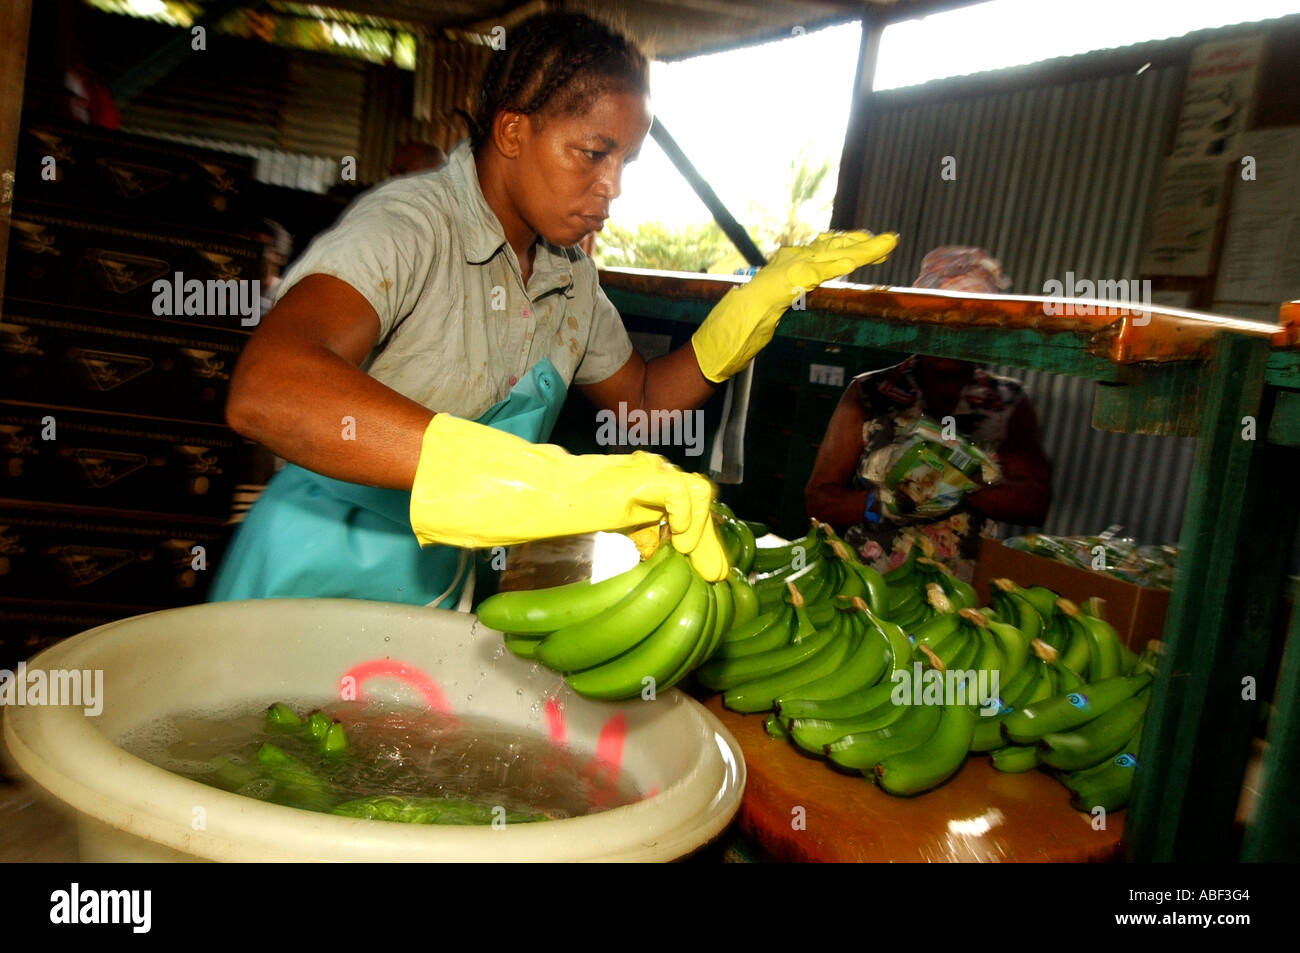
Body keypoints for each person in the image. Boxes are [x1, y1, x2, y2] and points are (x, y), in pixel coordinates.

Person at [210, 11, 896, 606]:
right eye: (593, 154)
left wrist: (751, 308)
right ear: (512, 132)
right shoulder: (409, 228)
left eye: (624, 162)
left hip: (434, 585)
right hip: (307, 579)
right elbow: (268, 389)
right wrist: (541, 479)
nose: (612, 188)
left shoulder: (568, 278)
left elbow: (646, 399)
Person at [804, 248, 1050, 582]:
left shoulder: (1005, 403)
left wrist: (960, 486)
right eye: (937, 320)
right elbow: (818, 499)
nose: (948, 335)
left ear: (985, 331)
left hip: (959, 597)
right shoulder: (869, 392)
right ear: (918, 322)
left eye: (964, 325)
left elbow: (1034, 504)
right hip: (866, 588)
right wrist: (882, 503)